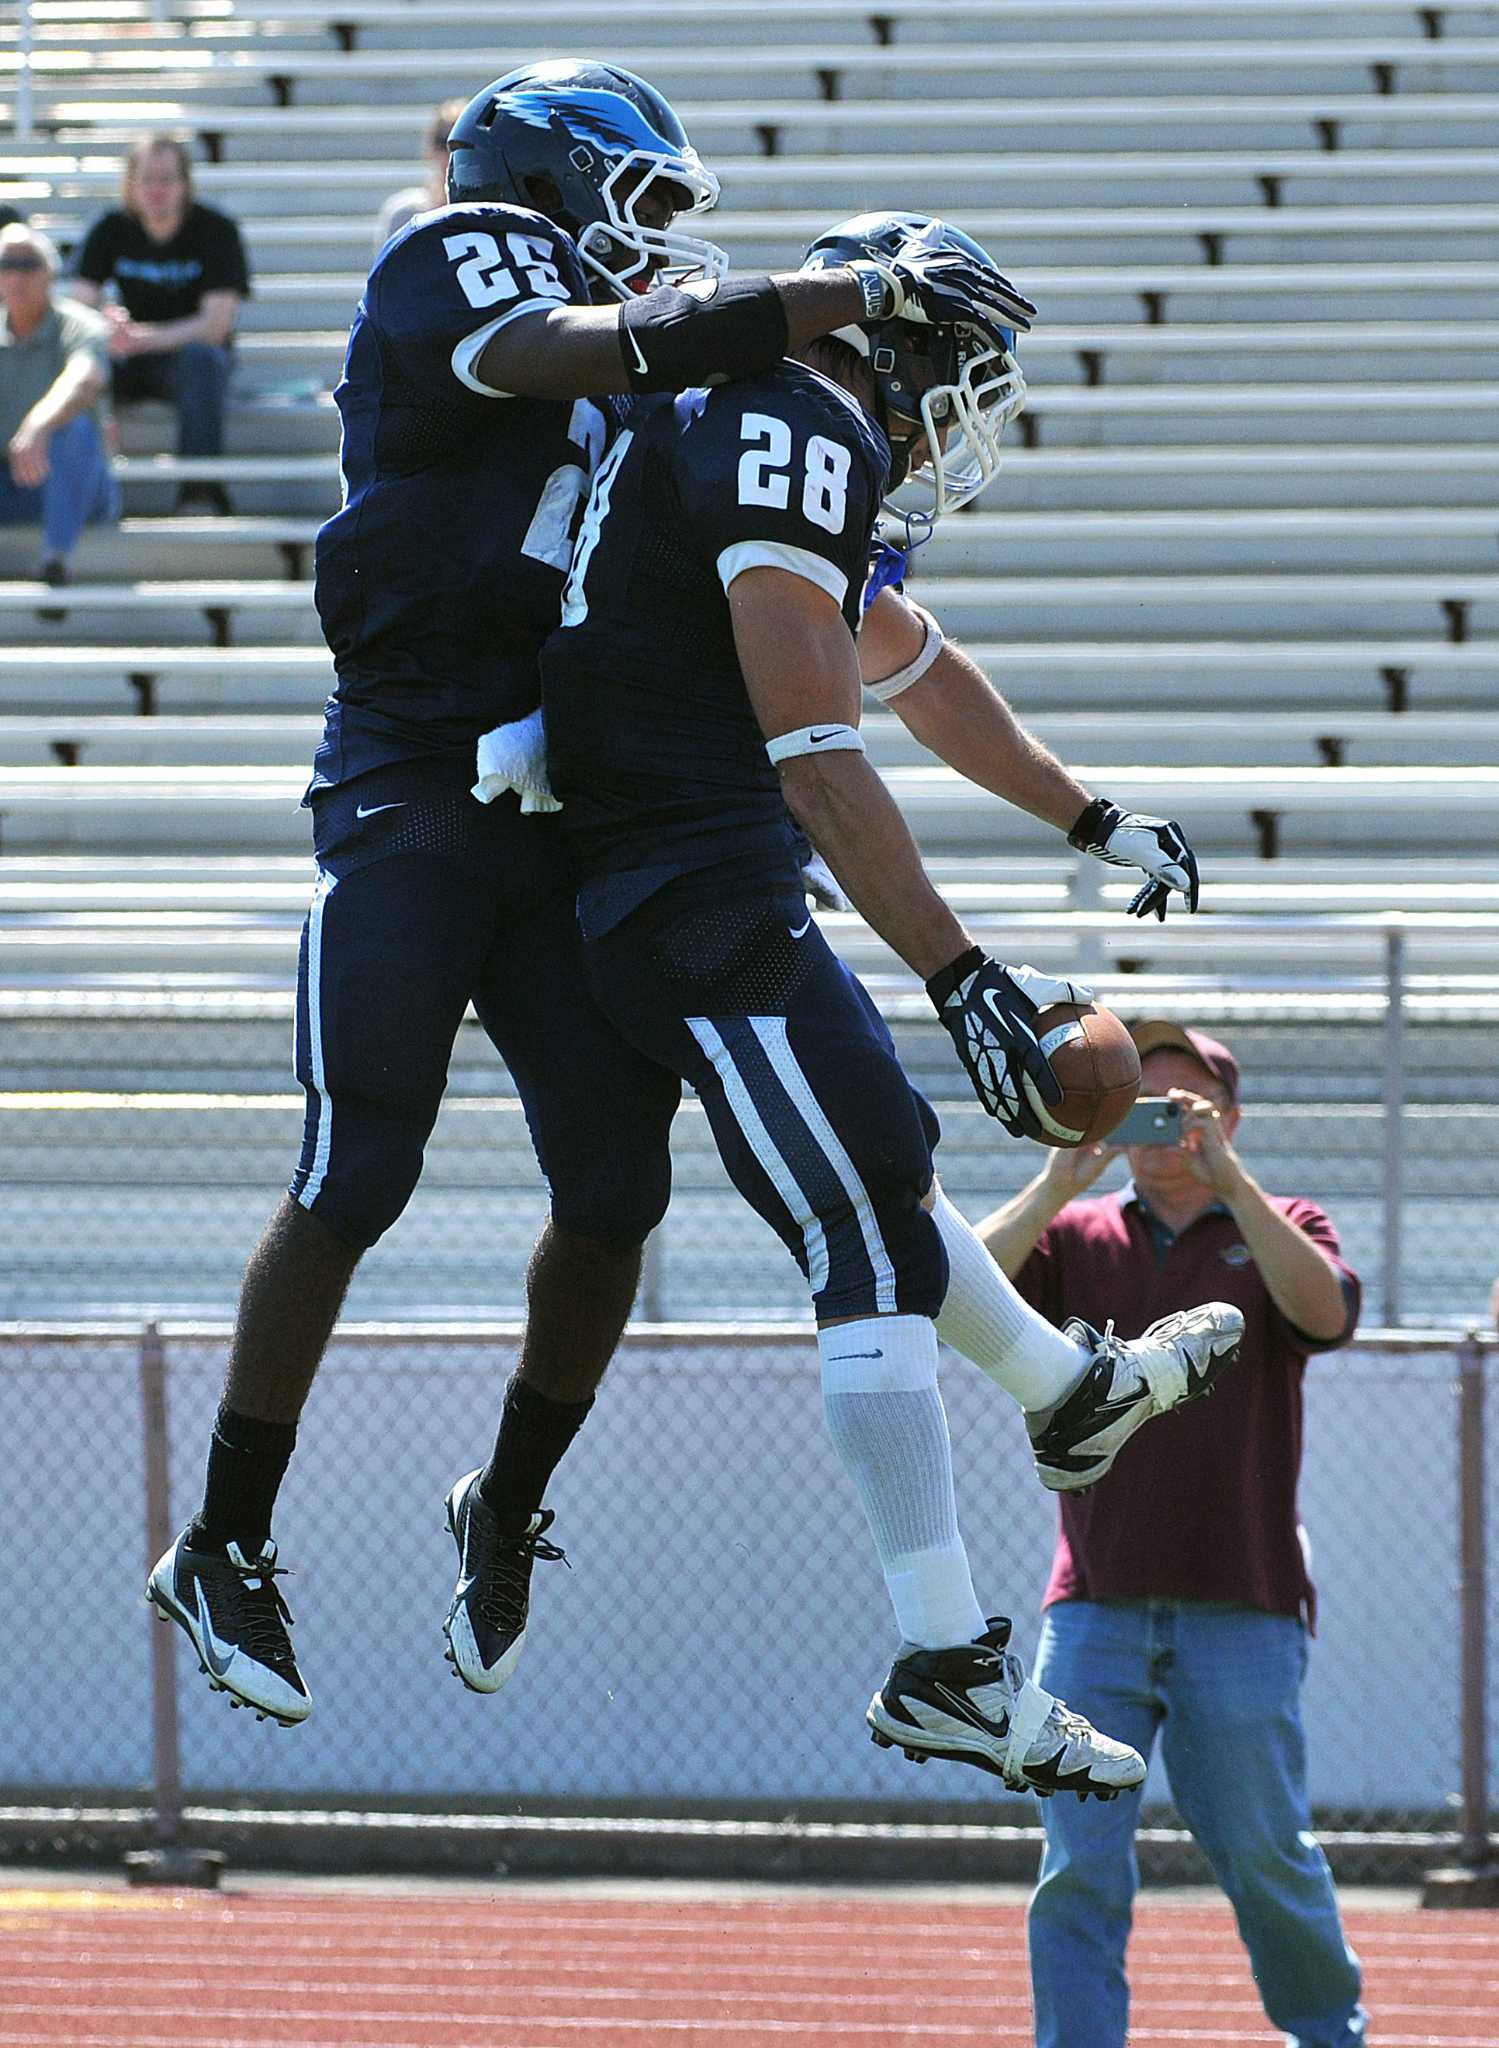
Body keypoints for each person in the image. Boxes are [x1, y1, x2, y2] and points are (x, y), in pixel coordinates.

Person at [142, 63, 1037, 1730]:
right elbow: (582, 347)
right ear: (553, 177)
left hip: (566, 815)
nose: (658, 242)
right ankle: (227, 1540)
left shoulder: (655, 353)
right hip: (410, 779)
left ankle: (503, 1497)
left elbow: (737, 526)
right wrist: (833, 293)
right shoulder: (462, 248)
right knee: (362, 1159)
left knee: (616, 1193)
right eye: (641, 200)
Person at [538, 209, 1244, 1795]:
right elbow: (811, 744)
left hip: (678, 872)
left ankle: (1068, 1395)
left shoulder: (745, 416)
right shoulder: (791, 412)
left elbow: (908, 666)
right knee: (863, 1216)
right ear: (896, 339)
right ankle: (944, 1664)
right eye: (958, 371)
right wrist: (962, 974)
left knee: (877, 1165)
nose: (956, 412)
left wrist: (1084, 818)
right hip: (687, 885)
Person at [976, 1018, 1367, 2048]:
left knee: (1266, 1852)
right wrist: (1059, 1179)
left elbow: (1323, 1315)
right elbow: (953, 1297)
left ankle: (1328, 2033)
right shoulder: (1074, 1234)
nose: (1156, 1128)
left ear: (1226, 1122)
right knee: (1076, 1863)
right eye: (1136, 1103)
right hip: (1093, 1607)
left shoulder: (1282, 1219)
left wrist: (1234, 1185)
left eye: (1180, 1108)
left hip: (1241, 1605)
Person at [70, 134, 250, 514]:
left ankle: (200, 491)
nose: (157, 189)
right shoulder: (109, 227)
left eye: (167, 179)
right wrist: (108, 322)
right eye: (147, 179)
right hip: (127, 357)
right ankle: (79, 489)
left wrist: (140, 338)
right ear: (130, 185)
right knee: (78, 363)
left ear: (186, 184)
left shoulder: (217, 229)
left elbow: (215, 325)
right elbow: (77, 309)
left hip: (186, 358)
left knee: (205, 360)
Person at [0, 223, 118, 597]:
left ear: (50, 273)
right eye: (6, 264)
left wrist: (38, 424)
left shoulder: (80, 324)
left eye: (27, 264)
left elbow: (85, 376)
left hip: (80, 487)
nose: (15, 275)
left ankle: (56, 559)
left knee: (72, 427)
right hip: (12, 486)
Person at [374, 97, 465, 251]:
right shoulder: (406, 214)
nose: (451, 153)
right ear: (430, 149)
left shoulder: (492, 215)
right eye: (444, 142)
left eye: (461, 143)